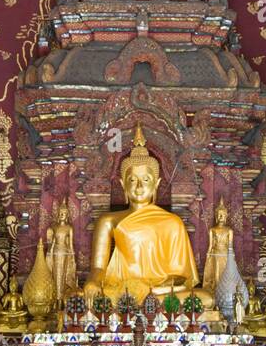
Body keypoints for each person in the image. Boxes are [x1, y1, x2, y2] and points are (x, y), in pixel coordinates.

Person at [83, 126, 212, 308]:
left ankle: (140, 302)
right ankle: (138, 302)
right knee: (78, 297)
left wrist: (152, 289)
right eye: (132, 180)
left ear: (157, 185)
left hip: (157, 291)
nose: (139, 186)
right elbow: (98, 268)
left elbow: (182, 278)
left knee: (206, 298)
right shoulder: (108, 221)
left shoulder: (172, 222)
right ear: (123, 185)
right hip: (120, 289)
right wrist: (93, 283)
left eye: (145, 180)